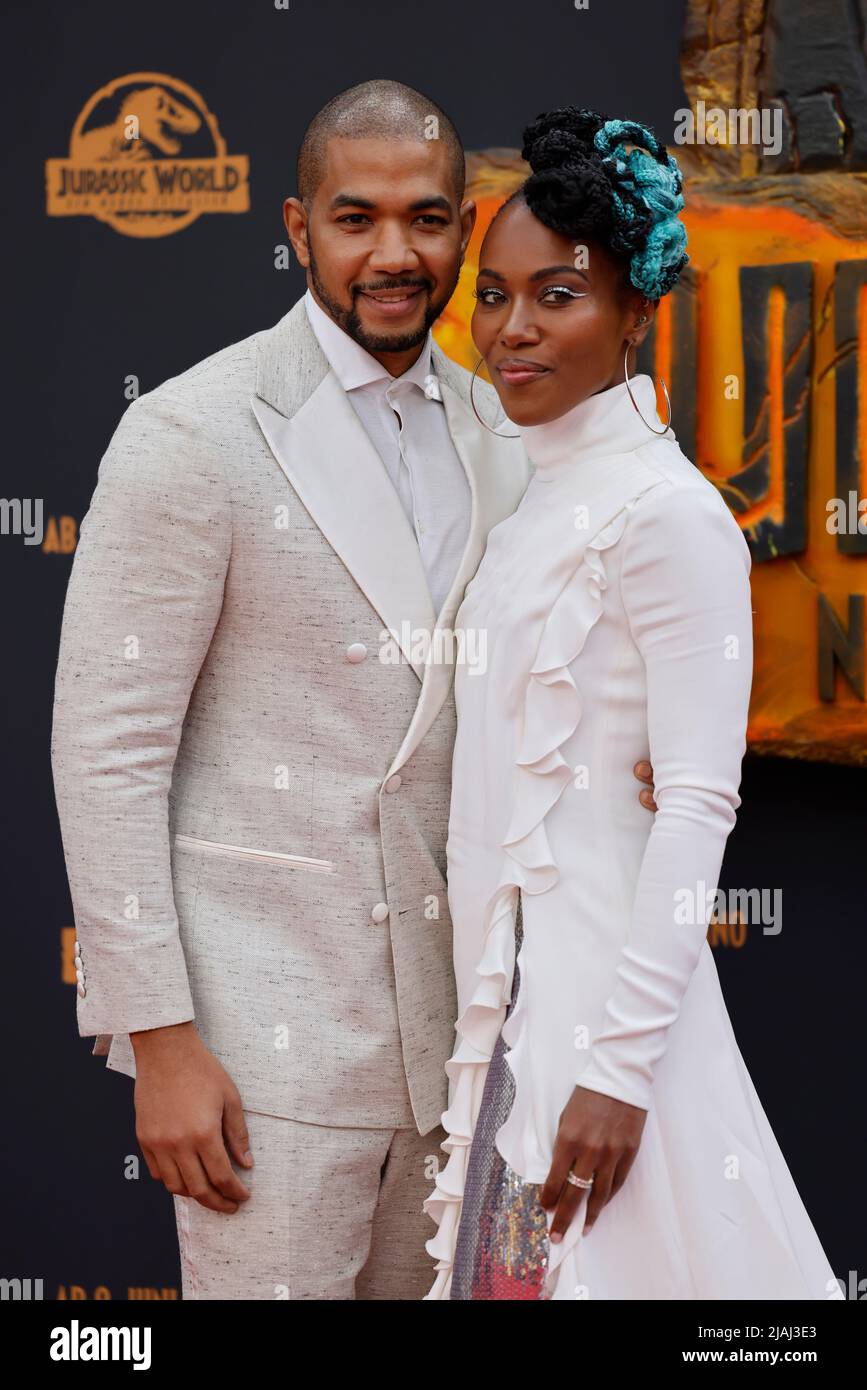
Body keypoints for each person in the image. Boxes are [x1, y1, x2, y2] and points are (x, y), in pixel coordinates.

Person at [50, 81, 656, 1300]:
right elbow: (107, 748)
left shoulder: (509, 426)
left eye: (427, 220)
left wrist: (629, 758)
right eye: (354, 218)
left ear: (464, 228)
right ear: (296, 224)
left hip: (468, 1047)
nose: (394, 254)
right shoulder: (191, 432)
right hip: (260, 1043)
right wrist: (159, 1039)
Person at [422, 106, 838, 1301]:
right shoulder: (541, 497)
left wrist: (619, 1069)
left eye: (557, 296)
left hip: (608, 1026)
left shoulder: (670, 516)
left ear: (637, 313)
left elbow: (698, 804)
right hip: (511, 1005)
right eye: (494, 296)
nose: (511, 330)